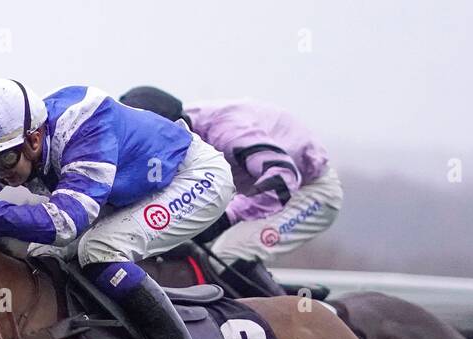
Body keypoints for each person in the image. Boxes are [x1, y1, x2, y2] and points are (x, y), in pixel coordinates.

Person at [0, 79, 235, 339]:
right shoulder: (13, 139)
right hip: (131, 190)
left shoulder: (84, 128)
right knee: (41, 254)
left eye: (4, 159)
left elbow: (63, 223)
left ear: (34, 140)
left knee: (99, 249)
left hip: (192, 177)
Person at [119, 86, 343, 298]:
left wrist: (228, 217)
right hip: (256, 190)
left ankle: (295, 323)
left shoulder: (228, 133)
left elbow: (282, 179)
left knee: (228, 254)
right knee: (207, 252)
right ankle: (285, 293)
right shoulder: (174, 126)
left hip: (308, 191)